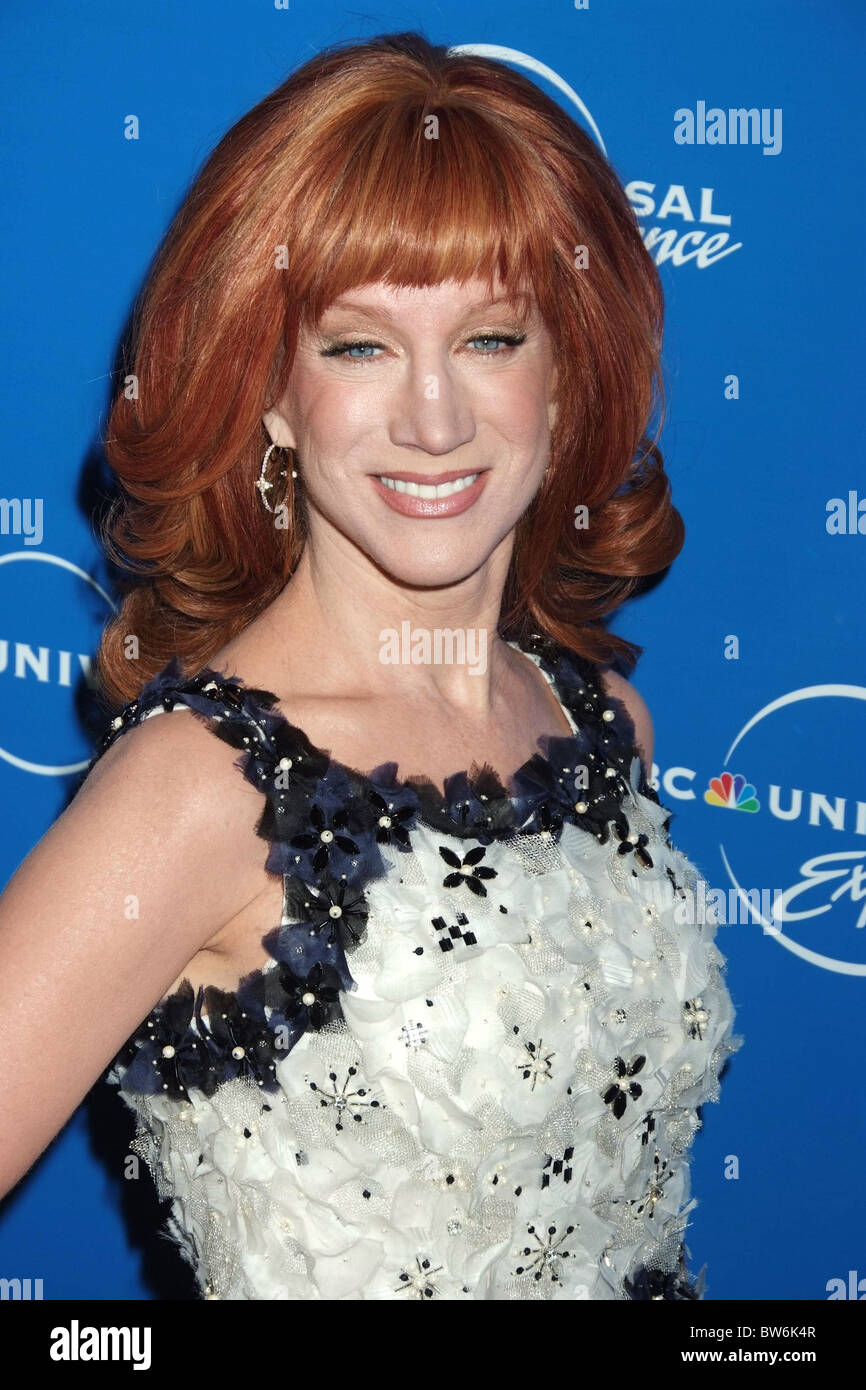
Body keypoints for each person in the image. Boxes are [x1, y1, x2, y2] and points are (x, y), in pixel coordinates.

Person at [0, 30, 741, 1300]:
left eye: (490, 341)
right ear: (272, 393)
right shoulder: (198, 791)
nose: (434, 418)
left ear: (565, 376)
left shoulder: (604, 722)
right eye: (357, 346)